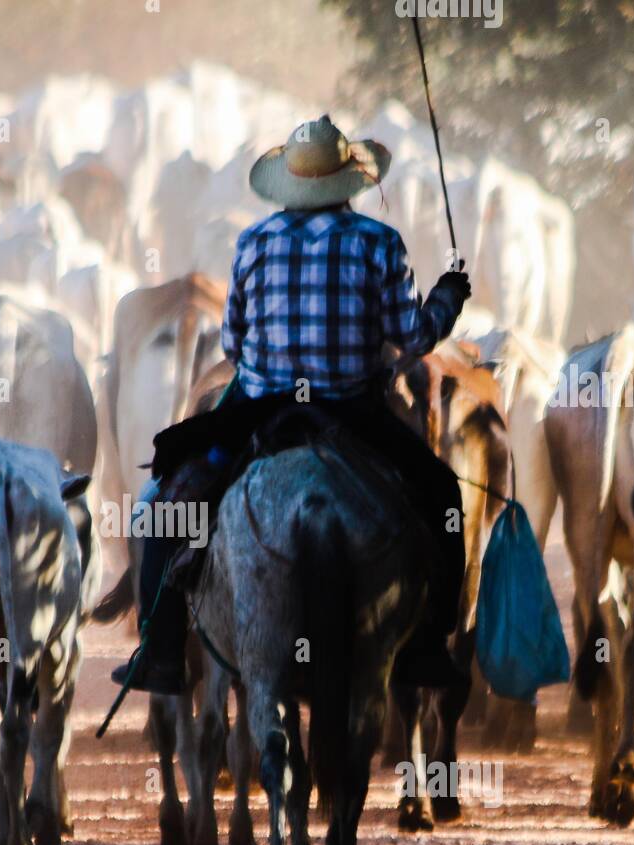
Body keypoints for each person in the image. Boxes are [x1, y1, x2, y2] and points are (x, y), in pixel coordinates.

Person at [112, 115, 471, 696]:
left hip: (262, 410)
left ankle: (160, 649)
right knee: (442, 496)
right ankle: (429, 645)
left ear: (291, 185)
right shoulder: (380, 242)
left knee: (164, 504)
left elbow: (232, 341)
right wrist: (447, 299)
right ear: (349, 183)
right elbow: (412, 335)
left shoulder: (255, 241)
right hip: (354, 411)